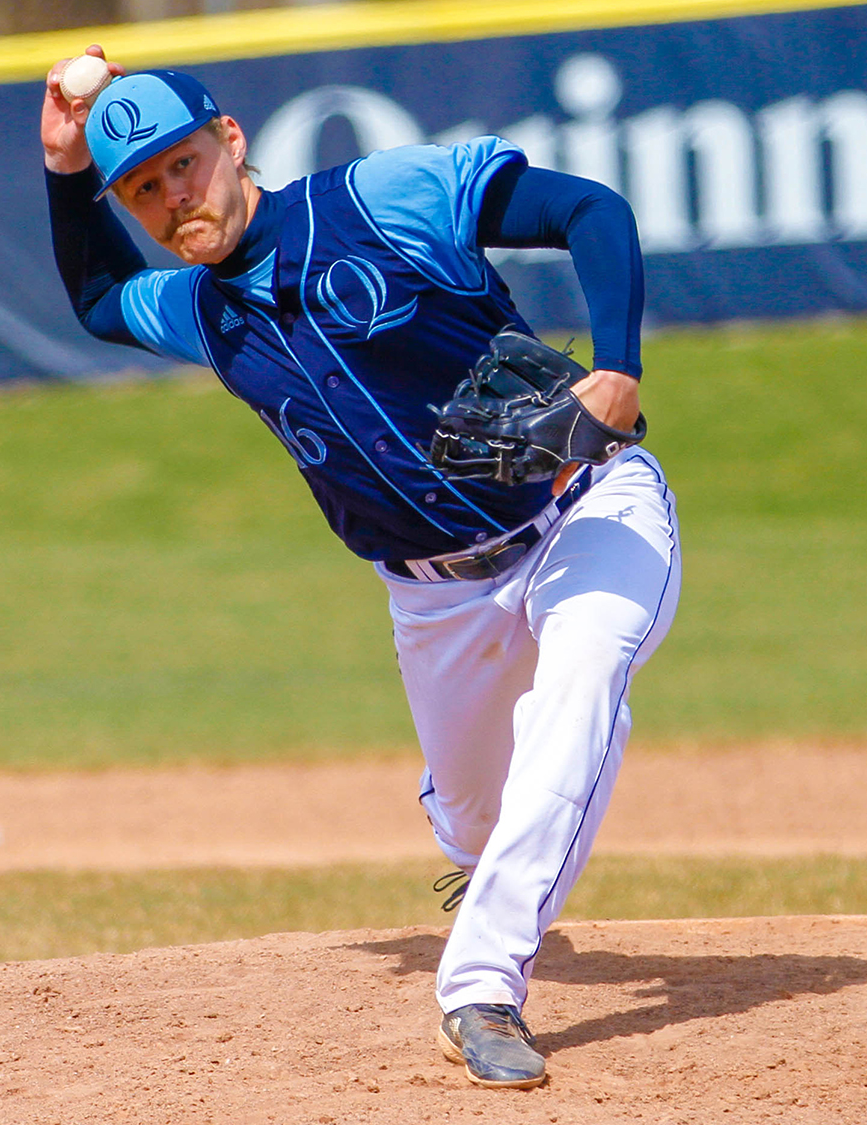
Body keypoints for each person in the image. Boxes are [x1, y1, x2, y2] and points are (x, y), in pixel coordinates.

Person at [41, 47, 681, 1090]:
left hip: (585, 508)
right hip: (435, 598)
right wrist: (64, 170)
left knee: (583, 674)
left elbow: (591, 211)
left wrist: (614, 365)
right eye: (141, 189)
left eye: (182, 165)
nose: (170, 197)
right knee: (475, 822)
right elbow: (100, 302)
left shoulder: (381, 196)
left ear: (230, 142)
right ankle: (480, 848)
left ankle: (479, 988)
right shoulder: (202, 312)